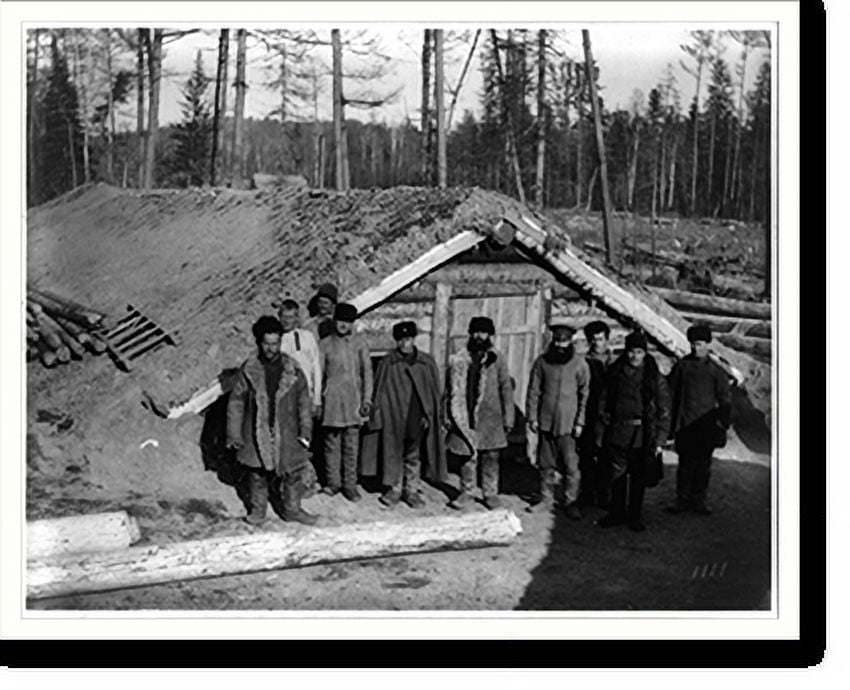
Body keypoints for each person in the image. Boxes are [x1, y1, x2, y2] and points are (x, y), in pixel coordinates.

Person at [226, 316, 317, 526]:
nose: (271, 348)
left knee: (292, 472)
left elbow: (304, 401)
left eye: (275, 343)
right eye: (266, 343)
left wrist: (305, 429)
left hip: (287, 428)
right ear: (259, 343)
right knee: (257, 474)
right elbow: (236, 402)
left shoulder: (292, 368)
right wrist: (234, 433)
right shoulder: (249, 369)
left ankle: (292, 509)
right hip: (257, 428)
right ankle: (258, 510)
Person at [361, 321, 447, 508]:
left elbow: (433, 391)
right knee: (393, 453)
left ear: (414, 339)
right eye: (400, 340)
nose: (404, 344)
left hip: (417, 417)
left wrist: (430, 414)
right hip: (394, 416)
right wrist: (378, 413)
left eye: (408, 339)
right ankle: (395, 488)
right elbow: (380, 390)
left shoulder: (426, 362)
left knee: (413, 455)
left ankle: (412, 490)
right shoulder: (388, 363)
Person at [595, 330, 670, 532]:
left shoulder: (654, 378)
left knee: (637, 476)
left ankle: (634, 516)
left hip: (642, 434)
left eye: (638, 352)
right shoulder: (615, 373)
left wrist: (660, 440)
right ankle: (617, 513)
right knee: (617, 474)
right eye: (630, 351)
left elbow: (664, 410)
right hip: (618, 430)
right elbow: (604, 402)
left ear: (644, 353)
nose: (634, 356)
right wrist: (601, 430)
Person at [444, 316, 514, 510]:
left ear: (490, 335)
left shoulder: (497, 359)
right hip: (464, 413)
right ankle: (466, 492)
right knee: (467, 454)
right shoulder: (459, 358)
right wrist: (447, 414)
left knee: (491, 456)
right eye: (475, 332)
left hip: (490, 416)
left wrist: (509, 416)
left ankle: (490, 493)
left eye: (483, 332)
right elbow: (448, 389)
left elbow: (505, 388)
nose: (479, 336)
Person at [525, 319, 590, 519]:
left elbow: (584, 394)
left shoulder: (579, 364)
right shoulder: (542, 362)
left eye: (565, 342)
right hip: (546, 421)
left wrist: (580, 421)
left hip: (569, 425)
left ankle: (571, 502)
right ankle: (546, 499)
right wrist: (532, 417)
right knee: (546, 464)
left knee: (571, 466)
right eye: (557, 341)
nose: (560, 345)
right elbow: (534, 391)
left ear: (571, 342)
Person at [666, 325, 732, 516]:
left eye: (700, 344)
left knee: (703, 465)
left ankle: (699, 500)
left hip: (706, 426)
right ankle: (682, 499)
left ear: (708, 345)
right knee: (685, 464)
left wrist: (723, 423)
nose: (696, 348)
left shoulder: (715, 371)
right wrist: (670, 423)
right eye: (693, 345)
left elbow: (724, 399)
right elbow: (671, 393)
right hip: (685, 424)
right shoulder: (682, 367)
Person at [318, 302, 373, 501]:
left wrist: (367, 400)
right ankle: (333, 483)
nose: (343, 325)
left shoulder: (360, 344)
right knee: (331, 445)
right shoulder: (325, 344)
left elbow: (367, 373)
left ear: (353, 323)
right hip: (332, 401)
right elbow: (319, 376)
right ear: (334, 320)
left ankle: (350, 485)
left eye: (348, 322)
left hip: (353, 402)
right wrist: (318, 401)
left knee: (351, 445)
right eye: (340, 320)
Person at [275, 297, 323, 494]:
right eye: (284, 317)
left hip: (307, 397)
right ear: (279, 317)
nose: (288, 321)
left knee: (307, 437)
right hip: (287, 399)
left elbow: (316, 367)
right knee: (288, 440)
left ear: (297, 318)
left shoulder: (307, 337)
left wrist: (317, 398)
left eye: (292, 317)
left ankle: (308, 481)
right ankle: (289, 483)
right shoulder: (276, 340)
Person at [578, 320, 614, 509]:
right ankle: (587, 494)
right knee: (587, 456)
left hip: (610, 417)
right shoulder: (583, 363)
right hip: (590, 415)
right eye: (593, 340)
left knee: (607, 457)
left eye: (600, 339)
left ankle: (604, 494)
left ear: (607, 340)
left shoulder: (615, 364)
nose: (596, 343)